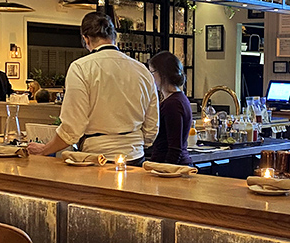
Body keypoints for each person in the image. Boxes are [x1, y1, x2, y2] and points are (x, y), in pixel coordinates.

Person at [27, 12, 158, 163]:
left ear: (85, 39)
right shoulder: (142, 70)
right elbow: (151, 127)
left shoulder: (81, 68)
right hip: (135, 157)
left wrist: (44, 149)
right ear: (115, 37)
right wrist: (135, 143)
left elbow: (72, 128)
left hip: (96, 158)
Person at [148, 51, 193, 165]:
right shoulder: (179, 99)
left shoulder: (172, 104)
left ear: (161, 73)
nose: (151, 78)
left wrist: (165, 171)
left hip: (170, 167)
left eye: (152, 72)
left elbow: (174, 149)